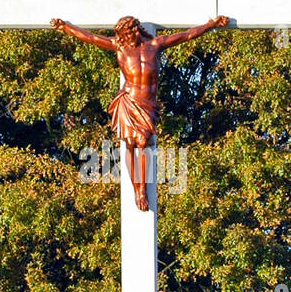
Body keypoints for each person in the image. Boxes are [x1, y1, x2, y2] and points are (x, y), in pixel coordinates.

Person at [50, 15, 229, 210]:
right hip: (129, 101)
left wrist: (210, 25)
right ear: (122, 35)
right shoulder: (120, 48)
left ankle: (142, 189)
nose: (133, 34)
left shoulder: (154, 45)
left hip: (147, 104)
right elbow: (91, 38)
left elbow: (186, 36)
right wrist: (66, 28)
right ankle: (138, 191)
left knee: (143, 143)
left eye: (135, 30)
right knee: (130, 144)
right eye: (129, 33)